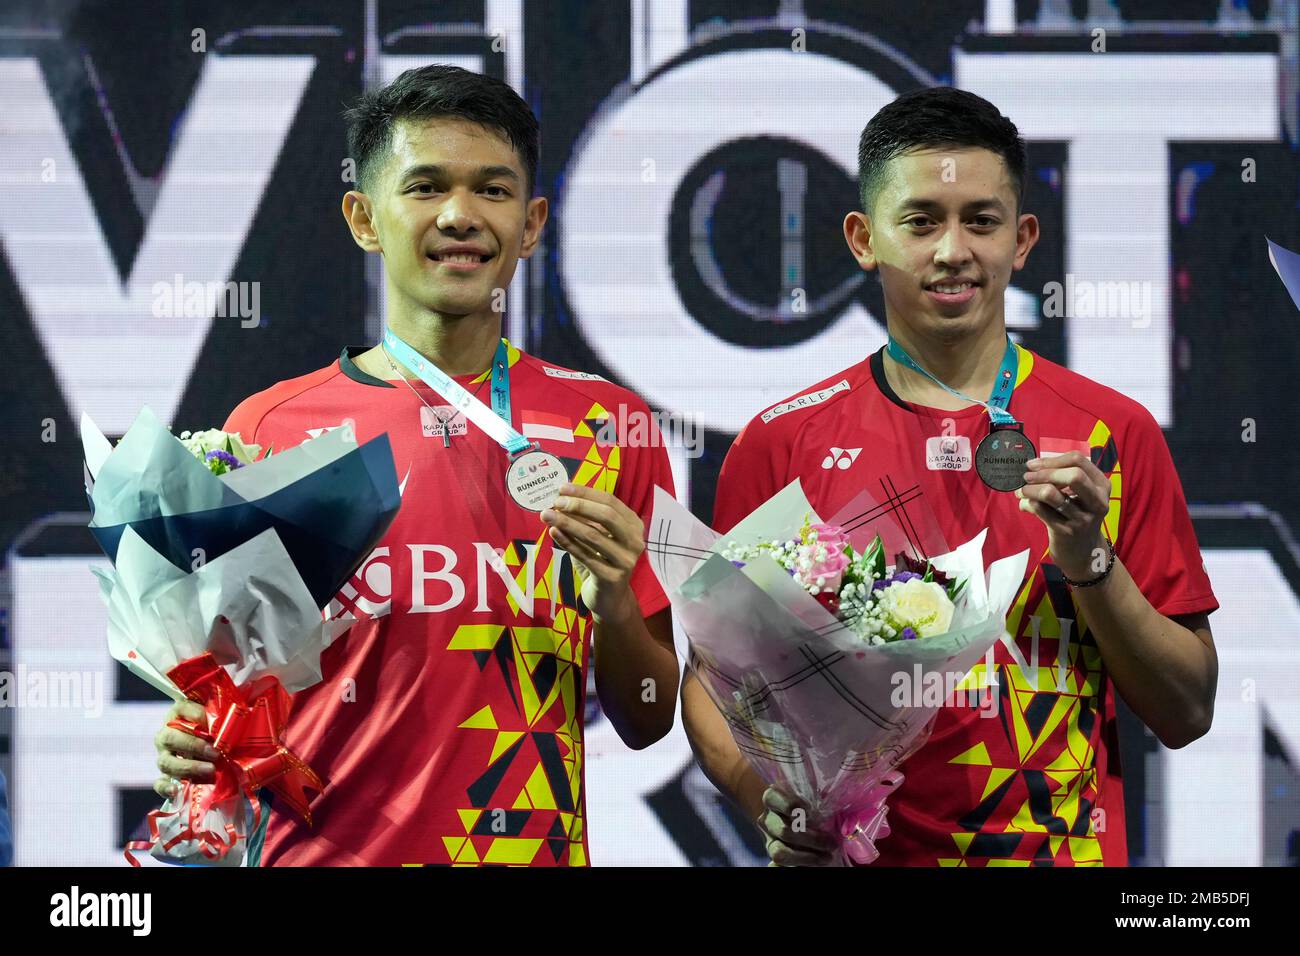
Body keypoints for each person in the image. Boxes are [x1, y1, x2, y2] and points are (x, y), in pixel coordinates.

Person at [151, 64, 679, 866]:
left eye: (494, 191)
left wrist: (613, 602)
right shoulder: (270, 427)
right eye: (426, 186)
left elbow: (648, 717)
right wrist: (191, 740)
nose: (461, 216)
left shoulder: (611, 425)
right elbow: (228, 689)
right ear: (364, 217)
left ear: (532, 224)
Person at [683, 86, 1219, 867]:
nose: (951, 250)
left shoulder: (1112, 432)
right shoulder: (782, 443)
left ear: (1023, 239)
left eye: (981, 220)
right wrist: (765, 799)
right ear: (864, 238)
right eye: (922, 220)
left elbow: (1187, 709)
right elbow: (713, 678)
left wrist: (1091, 564)